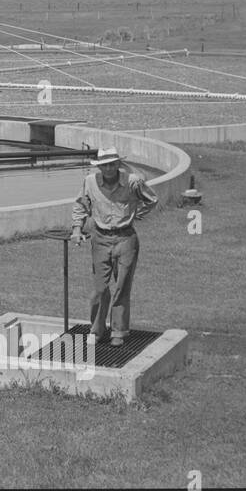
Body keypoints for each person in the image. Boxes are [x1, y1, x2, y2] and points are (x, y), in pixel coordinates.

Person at [70, 147, 158, 346]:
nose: (108, 168)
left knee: (122, 287)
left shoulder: (133, 181)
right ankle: (97, 329)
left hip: (126, 239)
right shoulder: (90, 182)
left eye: (112, 164)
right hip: (100, 239)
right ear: (99, 166)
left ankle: (119, 331)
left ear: (119, 164)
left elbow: (152, 200)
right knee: (100, 288)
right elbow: (80, 205)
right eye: (104, 165)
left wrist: (137, 214)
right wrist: (77, 229)